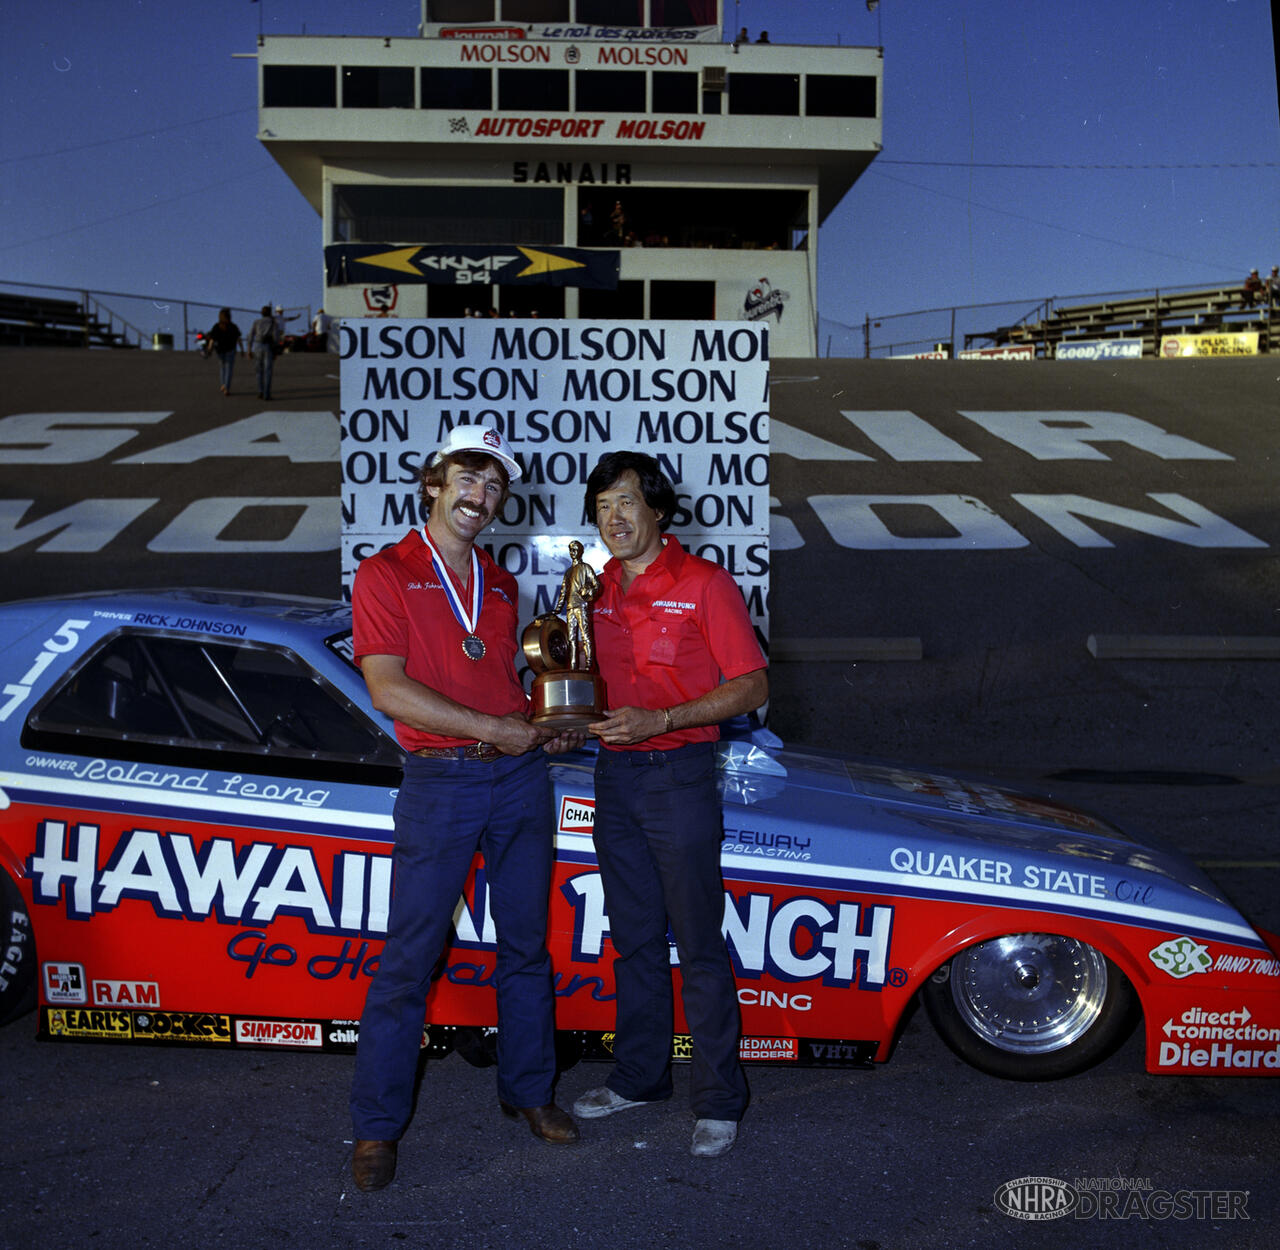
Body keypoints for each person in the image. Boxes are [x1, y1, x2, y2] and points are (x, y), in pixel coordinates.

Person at [348, 424, 582, 1193]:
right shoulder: (385, 574)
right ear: (433, 483)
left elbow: (502, 682)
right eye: (468, 480)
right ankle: (377, 1127)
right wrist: (494, 729)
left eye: (494, 486)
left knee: (525, 947)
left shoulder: (500, 580)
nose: (480, 497)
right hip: (440, 781)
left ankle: (530, 1092)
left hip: (516, 782)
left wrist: (543, 723)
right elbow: (387, 688)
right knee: (408, 961)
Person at [571, 451, 768, 1159]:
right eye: (602, 506)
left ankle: (718, 1100)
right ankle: (638, 1078)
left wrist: (664, 720)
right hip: (613, 779)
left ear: (658, 510)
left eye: (626, 502)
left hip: (678, 775)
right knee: (634, 941)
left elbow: (750, 686)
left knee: (700, 946)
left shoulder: (706, 584)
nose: (614, 518)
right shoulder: (592, 591)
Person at [553, 539, 601, 672]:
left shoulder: (585, 568)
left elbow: (597, 584)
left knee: (586, 636)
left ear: (581, 551)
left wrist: (588, 592)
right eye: (571, 550)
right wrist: (557, 609)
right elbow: (563, 591)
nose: (572, 552)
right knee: (571, 639)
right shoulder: (568, 572)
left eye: (575, 550)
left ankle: (588, 665)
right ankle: (573, 666)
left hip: (581, 607)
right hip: (570, 608)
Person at [204, 308, 243, 396]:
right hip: (230, 350)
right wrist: (242, 350)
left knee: (222, 368)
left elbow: (212, 339)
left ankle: (222, 384)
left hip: (220, 350)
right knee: (229, 369)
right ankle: (226, 387)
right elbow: (238, 339)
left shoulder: (217, 326)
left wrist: (209, 349)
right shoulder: (233, 326)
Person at [247, 305, 277, 400]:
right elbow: (276, 337)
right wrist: (275, 350)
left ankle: (260, 391)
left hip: (257, 345)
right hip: (268, 346)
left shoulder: (256, 322)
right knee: (268, 371)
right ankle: (267, 394)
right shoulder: (273, 323)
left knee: (258, 370)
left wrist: (249, 349)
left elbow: (251, 335)